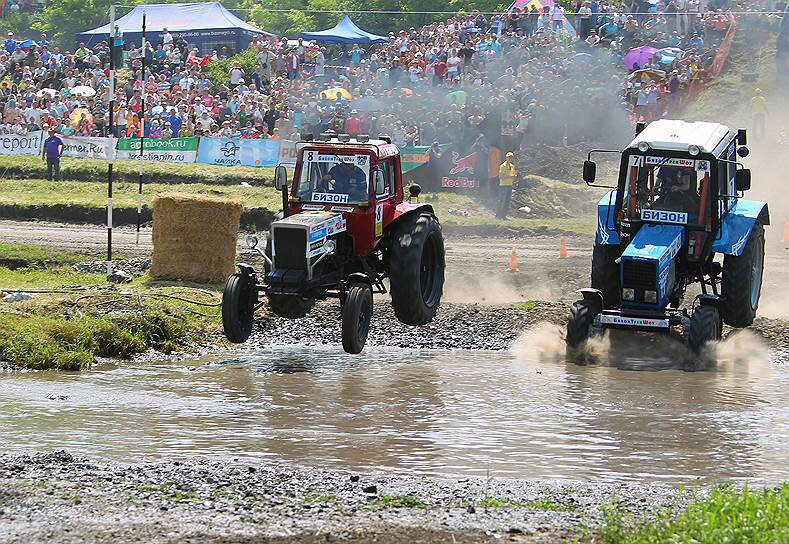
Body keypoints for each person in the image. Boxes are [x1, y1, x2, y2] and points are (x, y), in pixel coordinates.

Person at [497, 151, 517, 219]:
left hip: (509, 185)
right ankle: (498, 215)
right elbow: (501, 176)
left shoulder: (512, 166)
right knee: (502, 201)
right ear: (506, 158)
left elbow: (514, 176)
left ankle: (504, 216)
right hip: (503, 185)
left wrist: (513, 176)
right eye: (509, 157)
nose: (510, 159)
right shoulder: (503, 166)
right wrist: (509, 176)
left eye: (511, 157)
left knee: (507, 202)